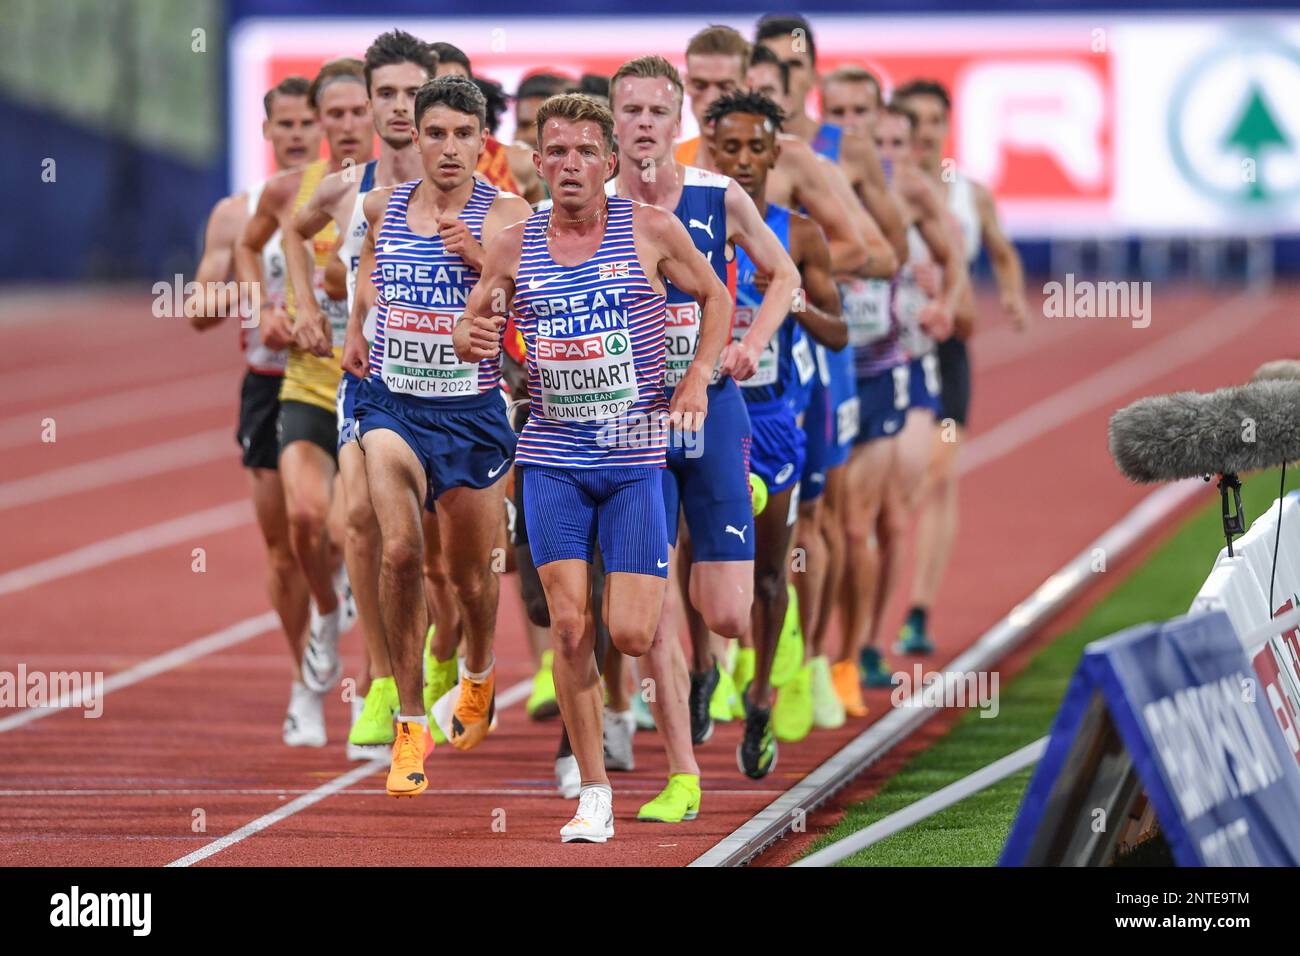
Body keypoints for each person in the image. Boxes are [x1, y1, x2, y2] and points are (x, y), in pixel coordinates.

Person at [457, 92, 733, 842]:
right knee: (572, 627)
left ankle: (671, 709)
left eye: (585, 152)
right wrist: (473, 339)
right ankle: (596, 794)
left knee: (634, 632)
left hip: (637, 453)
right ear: (537, 163)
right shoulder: (515, 242)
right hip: (550, 457)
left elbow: (714, 296)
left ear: (610, 163)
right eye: (557, 152)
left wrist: (698, 375)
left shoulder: (649, 229)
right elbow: (473, 325)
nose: (571, 165)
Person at [609, 52, 801, 797]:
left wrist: (751, 345)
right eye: (631, 111)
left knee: (725, 613)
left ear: (678, 119)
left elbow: (783, 275)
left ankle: (735, 501)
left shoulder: (719, 196)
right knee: (645, 608)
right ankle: (683, 773)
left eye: (659, 111)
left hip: (712, 406)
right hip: (632, 422)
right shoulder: (589, 202)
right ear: (615, 120)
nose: (645, 124)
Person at [340, 75, 533, 796]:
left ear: (484, 140)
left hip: (474, 415)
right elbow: (367, 267)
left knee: (471, 577)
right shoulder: (380, 205)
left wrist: (479, 260)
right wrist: (359, 329)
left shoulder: (508, 211)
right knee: (397, 550)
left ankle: (480, 671)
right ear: (413, 138)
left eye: (464, 135)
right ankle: (410, 726)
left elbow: (540, 289)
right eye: (436, 133)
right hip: (391, 404)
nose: (450, 148)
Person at [283, 31, 437, 757]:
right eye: (387, 94)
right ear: (370, 102)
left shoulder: (475, 194)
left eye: (413, 93)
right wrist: (305, 307)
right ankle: (381, 681)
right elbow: (292, 230)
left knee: (452, 568)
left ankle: (451, 660)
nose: (399, 107)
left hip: (453, 395)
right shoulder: (345, 190)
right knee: (361, 526)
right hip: (369, 386)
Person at [235, 57, 373, 732]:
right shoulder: (293, 190)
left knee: (357, 533)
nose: (347, 125)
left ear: (378, 113)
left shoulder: (402, 191)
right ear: (320, 121)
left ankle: (381, 700)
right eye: (335, 114)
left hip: (376, 391)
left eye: (358, 112)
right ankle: (323, 619)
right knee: (305, 525)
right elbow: (253, 241)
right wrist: (265, 305)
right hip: (307, 382)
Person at [706, 89, 846, 748]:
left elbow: (840, 333)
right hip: (699, 412)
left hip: (768, 418)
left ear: (773, 153)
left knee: (768, 571)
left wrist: (788, 306)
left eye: (754, 148)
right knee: (689, 553)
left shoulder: (801, 233)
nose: (741, 159)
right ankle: (703, 669)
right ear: (711, 150)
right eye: (728, 147)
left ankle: (762, 691)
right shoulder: (684, 222)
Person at [188, 75, 320, 745]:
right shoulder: (236, 214)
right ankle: (306, 683)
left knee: (339, 525)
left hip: (340, 378)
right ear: (266, 132)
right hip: (270, 384)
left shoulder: (354, 199)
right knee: (283, 544)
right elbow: (197, 313)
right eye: (285, 124)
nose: (297, 135)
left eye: (307, 123)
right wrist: (251, 301)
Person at [893, 78, 1028, 655]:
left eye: (933, 123)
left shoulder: (970, 195)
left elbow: (999, 248)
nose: (924, 134)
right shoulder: (883, 189)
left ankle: (919, 609)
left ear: (946, 128)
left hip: (947, 349)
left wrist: (1015, 295)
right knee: (895, 488)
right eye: (913, 123)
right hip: (893, 347)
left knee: (940, 476)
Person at [847, 101, 966, 691]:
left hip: (909, 367)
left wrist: (942, 295)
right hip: (844, 366)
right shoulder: (831, 185)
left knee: (897, 508)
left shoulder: (916, 193)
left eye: (899, 142)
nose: (889, 153)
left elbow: (956, 258)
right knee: (845, 519)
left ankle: (870, 642)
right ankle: (836, 646)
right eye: (879, 140)